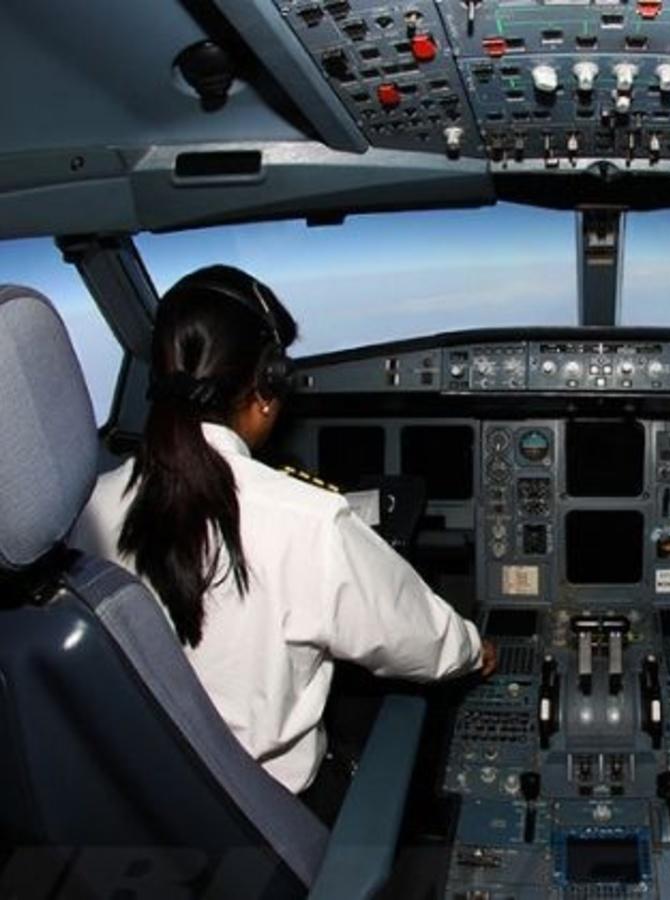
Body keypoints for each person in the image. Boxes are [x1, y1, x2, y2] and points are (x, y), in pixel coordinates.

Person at [71, 265, 496, 822]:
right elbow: (417, 640)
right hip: (268, 815)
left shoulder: (86, 512)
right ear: (266, 389)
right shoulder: (305, 522)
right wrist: (471, 649)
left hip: (132, 806)